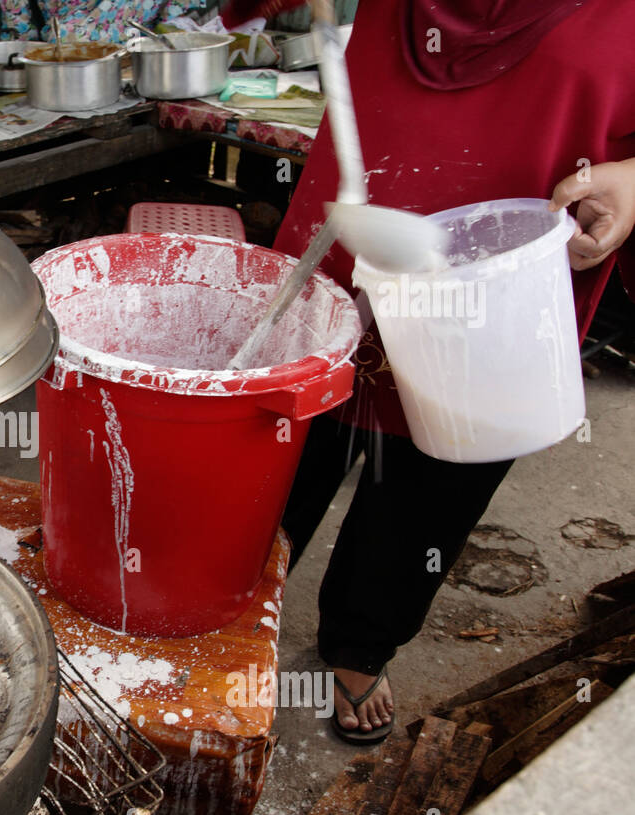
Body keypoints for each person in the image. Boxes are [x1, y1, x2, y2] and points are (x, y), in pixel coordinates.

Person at [221, 0, 635, 742]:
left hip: (503, 287)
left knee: (432, 486)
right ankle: (217, 620)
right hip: (345, 252)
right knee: (274, 462)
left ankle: (359, 643)